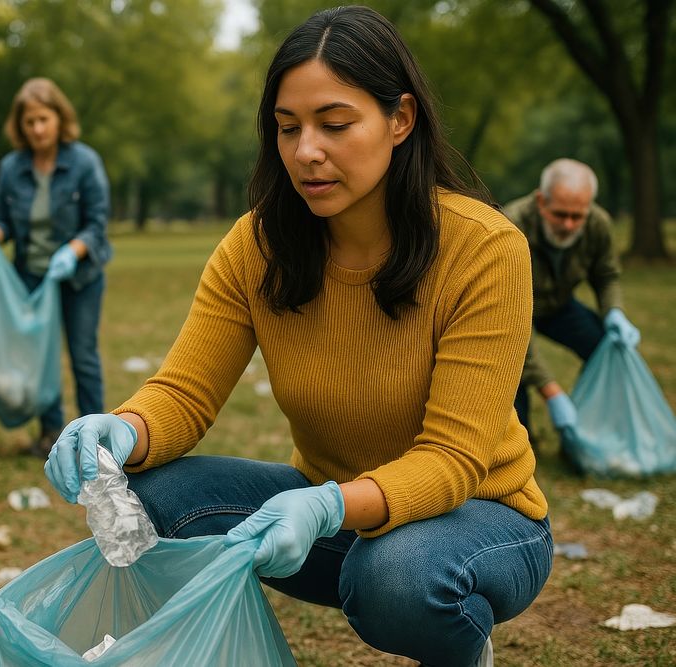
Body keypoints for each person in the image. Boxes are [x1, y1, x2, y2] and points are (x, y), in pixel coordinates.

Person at [43, 7, 552, 666]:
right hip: (331, 513)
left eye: (335, 125)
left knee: (396, 576)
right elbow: (185, 394)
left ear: (400, 119)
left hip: (479, 517)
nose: (306, 151)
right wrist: (121, 430)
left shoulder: (485, 248)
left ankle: (458, 643)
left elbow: (454, 460)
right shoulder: (255, 247)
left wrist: (324, 506)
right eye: (288, 128)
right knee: (149, 500)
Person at [0, 77, 112, 458]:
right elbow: (5, 222)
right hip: (31, 278)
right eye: (29, 122)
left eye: (43, 119)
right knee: (40, 359)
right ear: (20, 125)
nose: (37, 129)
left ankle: (95, 440)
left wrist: (72, 251)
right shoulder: (11, 168)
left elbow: (97, 225)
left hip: (79, 277)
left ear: (60, 118)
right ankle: (51, 434)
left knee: (83, 355)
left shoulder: (84, 162)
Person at [502, 158, 638, 444]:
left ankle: (591, 428)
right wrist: (552, 392)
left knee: (604, 347)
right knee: (510, 369)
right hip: (511, 310)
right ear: (541, 201)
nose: (568, 224)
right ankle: (520, 439)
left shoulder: (598, 224)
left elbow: (606, 275)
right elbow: (512, 322)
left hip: (559, 305)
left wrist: (614, 312)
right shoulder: (509, 227)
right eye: (560, 214)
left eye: (578, 217)